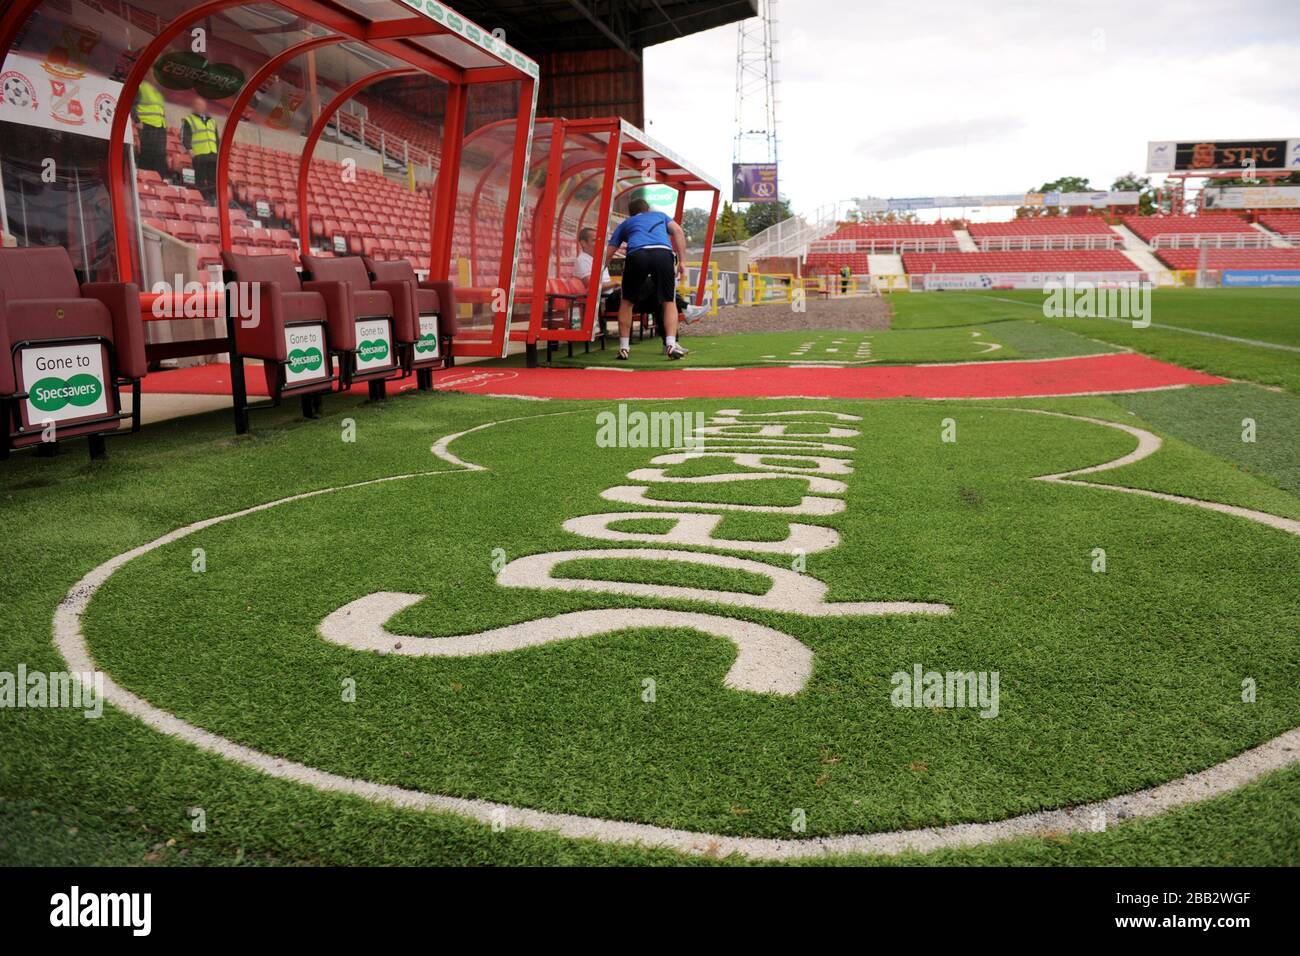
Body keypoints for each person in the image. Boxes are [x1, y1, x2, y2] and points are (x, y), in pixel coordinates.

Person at [603, 198, 695, 360]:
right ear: (648, 210)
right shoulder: (660, 216)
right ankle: (671, 344)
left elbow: (610, 250)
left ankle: (624, 348)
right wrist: (683, 262)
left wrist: (600, 270)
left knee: (627, 302)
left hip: (637, 254)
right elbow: (678, 231)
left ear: (629, 213)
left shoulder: (627, 223)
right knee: (669, 301)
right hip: (662, 253)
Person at [573, 225, 707, 332]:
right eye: (593, 240)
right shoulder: (582, 260)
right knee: (652, 281)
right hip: (607, 300)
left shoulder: (599, 259)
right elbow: (590, 285)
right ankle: (686, 308)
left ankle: (669, 342)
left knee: (659, 298)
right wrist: (615, 283)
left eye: (599, 240)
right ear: (583, 243)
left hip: (618, 296)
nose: (598, 243)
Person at [182, 97, 219, 202]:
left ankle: (213, 200)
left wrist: (219, 154)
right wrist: (190, 152)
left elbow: (216, 139)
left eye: (202, 105)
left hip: (213, 154)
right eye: (197, 104)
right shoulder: (189, 120)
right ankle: (203, 200)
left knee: (213, 180)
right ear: (193, 107)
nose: (200, 107)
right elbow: (185, 137)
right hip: (199, 155)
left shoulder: (212, 121)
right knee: (200, 181)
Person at [133, 80, 168, 178]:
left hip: (160, 127)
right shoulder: (141, 87)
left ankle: (159, 180)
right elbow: (131, 104)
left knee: (160, 156)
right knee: (147, 155)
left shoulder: (158, 92)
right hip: (147, 125)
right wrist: (137, 120)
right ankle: (144, 179)